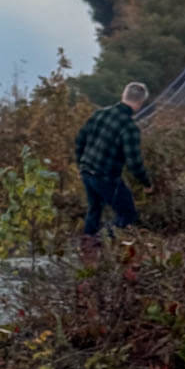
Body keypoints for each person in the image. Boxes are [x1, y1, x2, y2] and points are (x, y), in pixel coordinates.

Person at [74, 81, 152, 258]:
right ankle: (101, 243)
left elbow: (80, 141)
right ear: (140, 104)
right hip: (106, 177)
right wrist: (147, 184)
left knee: (94, 209)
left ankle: (86, 251)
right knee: (127, 213)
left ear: (123, 96)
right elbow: (134, 163)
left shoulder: (100, 114)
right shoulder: (129, 127)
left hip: (87, 172)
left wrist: (81, 166)